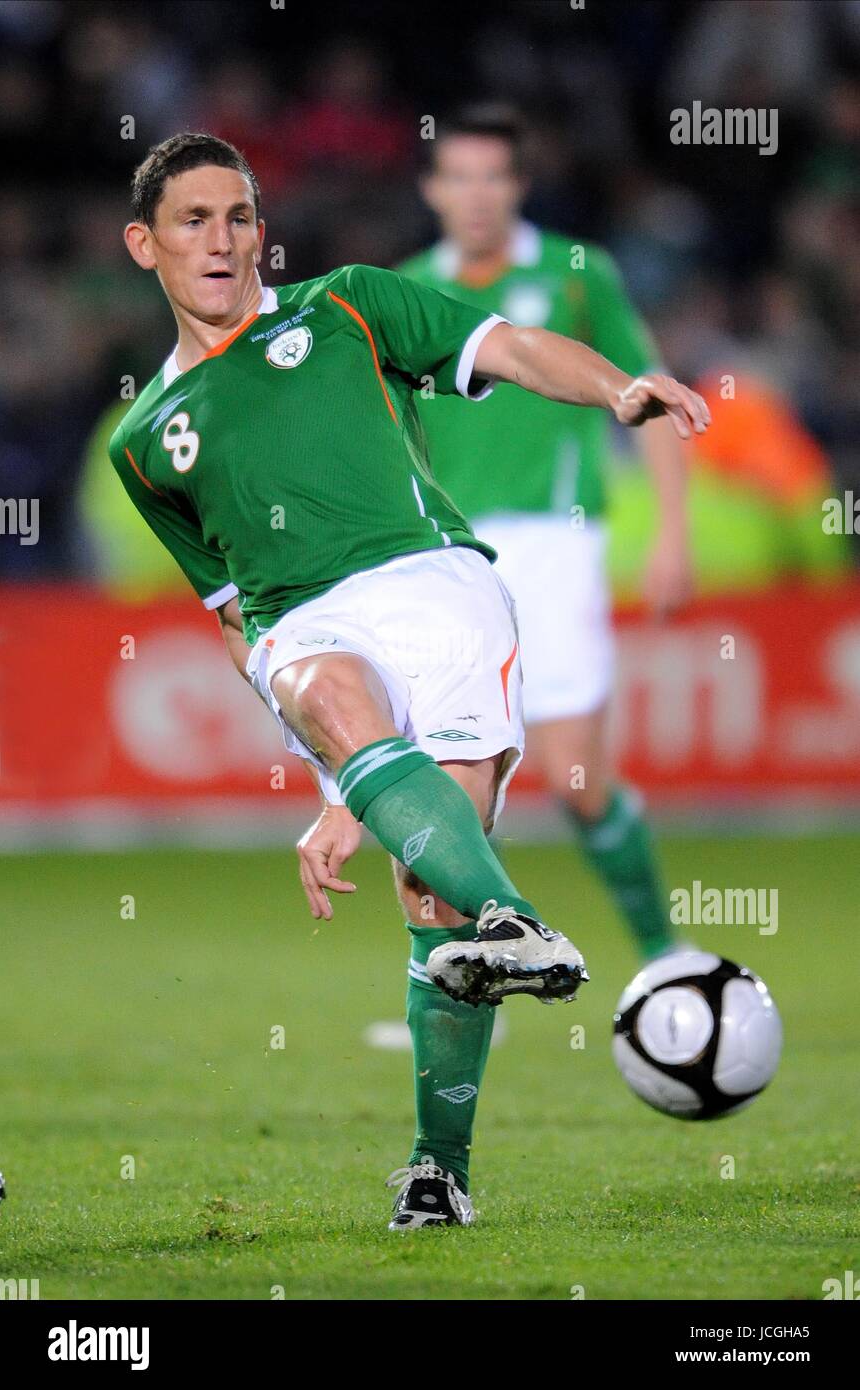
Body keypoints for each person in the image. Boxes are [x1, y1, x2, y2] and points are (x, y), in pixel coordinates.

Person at [110, 132, 709, 1230]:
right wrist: (334, 782)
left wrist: (617, 389)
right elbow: (238, 619)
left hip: (439, 588)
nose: (223, 239)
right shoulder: (146, 441)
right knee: (331, 697)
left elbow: (514, 346)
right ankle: (518, 919)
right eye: (194, 220)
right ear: (145, 243)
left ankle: (442, 1169)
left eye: (239, 215)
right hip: (305, 622)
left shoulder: (347, 305)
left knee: (434, 905)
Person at [400, 106, 694, 966]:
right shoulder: (406, 286)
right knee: (452, 797)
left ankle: (663, 959)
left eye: (495, 175)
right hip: (446, 560)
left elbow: (649, 393)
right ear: (433, 189)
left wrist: (672, 533)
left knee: (578, 782)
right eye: (460, 176)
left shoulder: (577, 273)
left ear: (519, 184)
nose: (478, 194)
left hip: (555, 547)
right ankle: (453, 974)